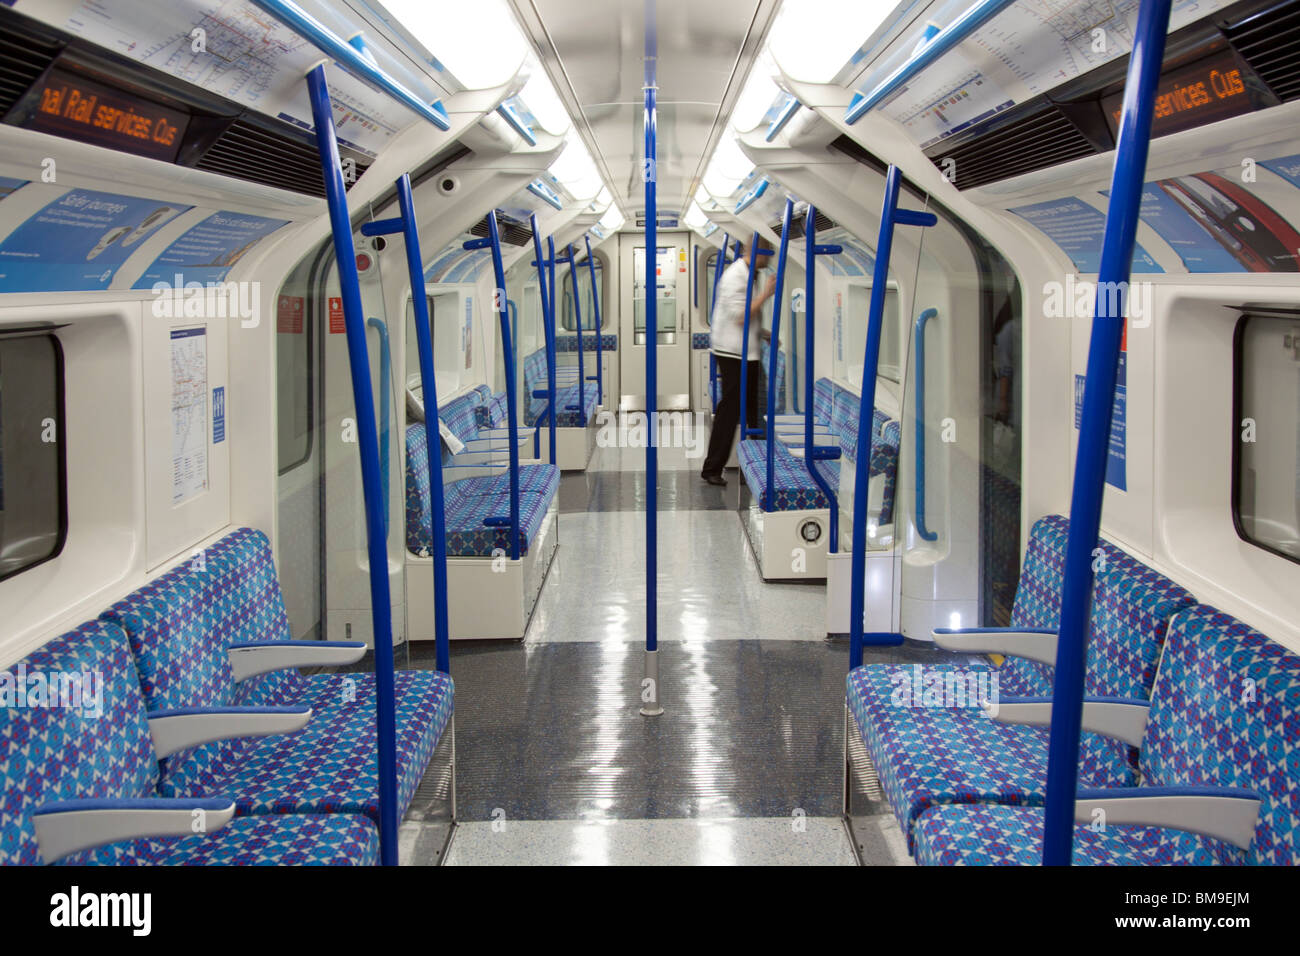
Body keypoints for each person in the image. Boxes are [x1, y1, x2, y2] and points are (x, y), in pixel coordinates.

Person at [701, 242, 776, 485]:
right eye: (768, 254)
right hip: (734, 353)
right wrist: (766, 294)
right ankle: (712, 468)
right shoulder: (736, 276)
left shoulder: (750, 274)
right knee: (731, 410)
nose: (769, 260)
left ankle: (752, 464)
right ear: (756, 253)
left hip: (745, 351)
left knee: (753, 410)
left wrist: (763, 332)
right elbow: (741, 316)